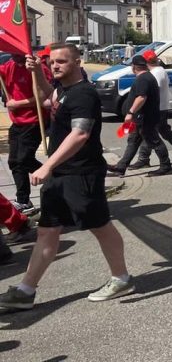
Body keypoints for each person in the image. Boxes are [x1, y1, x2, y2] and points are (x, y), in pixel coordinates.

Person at [0, 45, 135, 310]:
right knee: (47, 231)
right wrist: (38, 72)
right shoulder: (63, 90)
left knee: (100, 226)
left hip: (81, 172)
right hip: (61, 174)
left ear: (77, 61)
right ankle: (26, 290)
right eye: (52, 62)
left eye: (62, 62)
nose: (56, 66)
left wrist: (47, 165)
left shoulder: (84, 93)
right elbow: (46, 98)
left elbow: (80, 134)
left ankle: (122, 279)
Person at [107, 55, 172, 177]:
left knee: (154, 141)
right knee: (133, 141)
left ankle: (166, 165)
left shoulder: (143, 79)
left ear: (134, 67)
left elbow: (141, 97)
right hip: (139, 118)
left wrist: (130, 112)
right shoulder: (147, 76)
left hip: (145, 117)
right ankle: (121, 167)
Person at [0, 53, 50, 215]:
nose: (13, 55)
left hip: (35, 121)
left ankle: (55, 177)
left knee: (24, 159)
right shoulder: (9, 66)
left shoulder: (37, 68)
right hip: (17, 122)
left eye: (16, 51)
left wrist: (17, 104)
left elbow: (43, 97)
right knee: (14, 162)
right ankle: (23, 201)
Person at [132, 49, 172, 169]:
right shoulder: (161, 70)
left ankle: (144, 158)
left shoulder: (155, 73)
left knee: (149, 133)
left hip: (157, 108)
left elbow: (150, 92)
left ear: (146, 62)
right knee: (164, 131)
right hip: (162, 106)